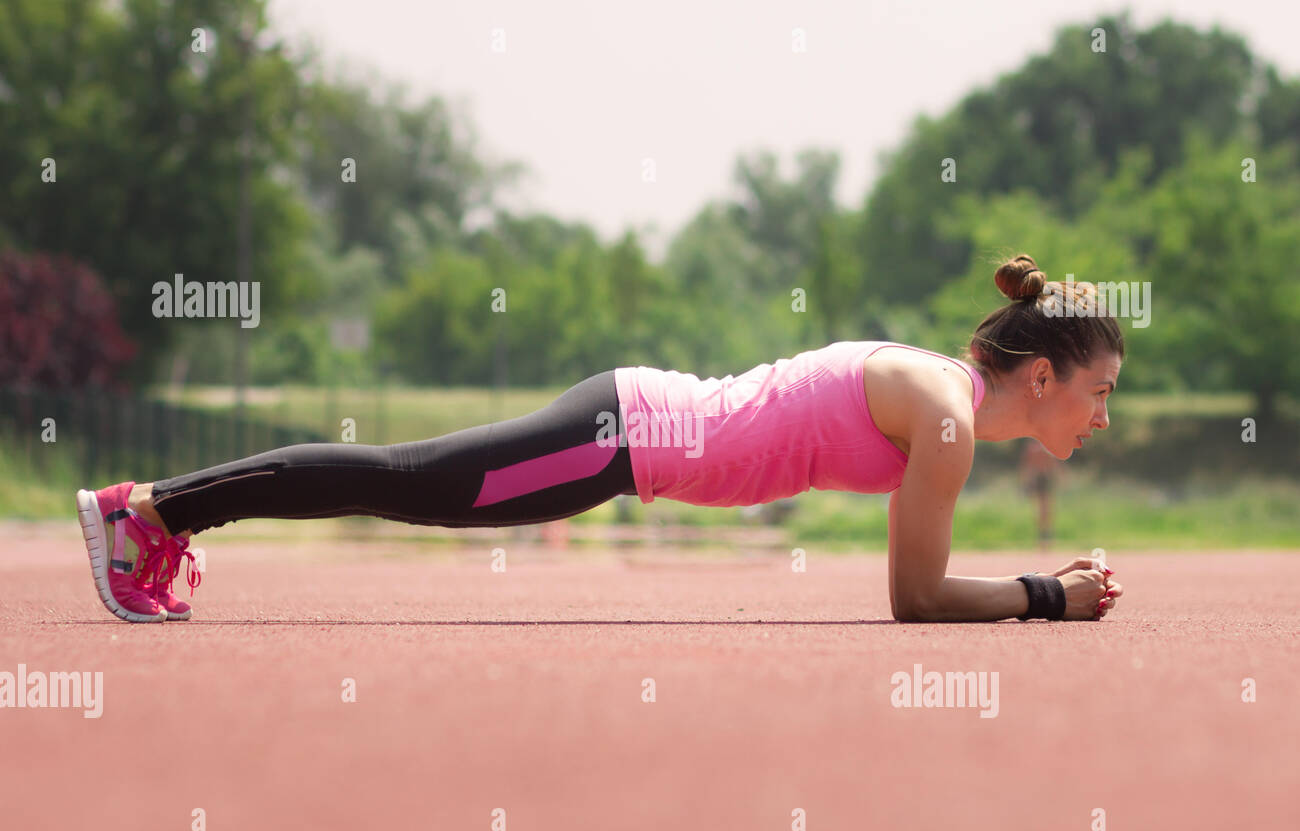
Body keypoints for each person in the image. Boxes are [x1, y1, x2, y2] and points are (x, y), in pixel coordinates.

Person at [77, 253, 1125, 624]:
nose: (1104, 415)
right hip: (617, 438)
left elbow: (919, 587)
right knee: (399, 479)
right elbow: (917, 601)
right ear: (1040, 377)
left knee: (400, 481)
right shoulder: (945, 418)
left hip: (619, 429)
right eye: (1099, 391)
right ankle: (147, 512)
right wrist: (1048, 594)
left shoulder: (942, 399)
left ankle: (155, 512)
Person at [1019, 436, 1063, 548]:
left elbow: (1028, 466)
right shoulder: (1044, 448)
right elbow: (1052, 465)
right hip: (1040, 478)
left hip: (1042, 478)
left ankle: (1045, 535)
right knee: (1044, 508)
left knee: (1044, 508)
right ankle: (1044, 535)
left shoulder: (1036, 448)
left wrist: (1026, 479)